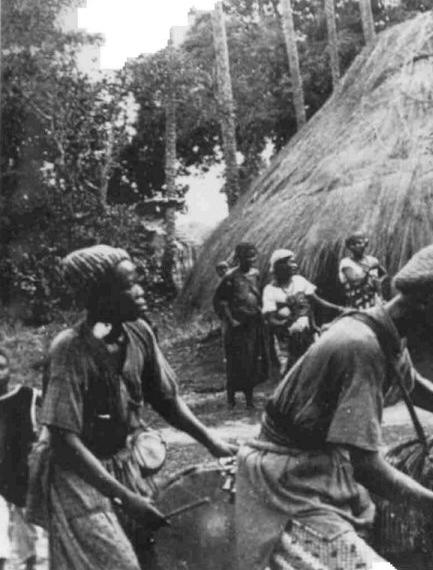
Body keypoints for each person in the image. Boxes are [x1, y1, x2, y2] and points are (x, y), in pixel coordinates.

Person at [235, 243, 433, 570]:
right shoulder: (361, 346)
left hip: (325, 468)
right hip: (287, 482)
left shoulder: (383, 329)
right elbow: (367, 467)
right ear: (428, 301)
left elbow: (410, 381)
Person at [27, 245, 236, 570]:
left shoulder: (139, 333)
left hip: (122, 464)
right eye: (128, 285)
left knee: (151, 551)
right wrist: (125, 498)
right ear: (99, 297)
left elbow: (166, 400)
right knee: (117, 562)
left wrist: (213, 442)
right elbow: (64, 440)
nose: (140, 291)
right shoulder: (70, 350)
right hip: (77, 475)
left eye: (137, 281)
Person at [262, 249, 345, 375]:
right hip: (286, 337)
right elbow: (270, 318)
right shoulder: (270, 290)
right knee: (289, 369)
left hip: (307, 332)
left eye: (295, 262)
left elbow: (315, 302)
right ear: (280, 266)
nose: (295, 265)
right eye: (291, 262)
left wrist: (338, 308)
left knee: (314, 364)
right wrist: (286, 325)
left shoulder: (299, 281)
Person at [213, 242, 274, 409]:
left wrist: (261, 312)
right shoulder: (230, 276)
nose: (251, 259)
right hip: (236, 326)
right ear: (239, 258)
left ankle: (249, 400)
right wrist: (231, 320)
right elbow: (221, 301)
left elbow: (258, 295)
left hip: (253, 323)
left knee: (252, 360)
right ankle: (231, 399)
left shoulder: (256, 274)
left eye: (253, 255)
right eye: (247, 256)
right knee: (236, 361)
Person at [0, 347, 40, 570]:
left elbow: (57, 405)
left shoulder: (25, 396)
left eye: (1, 367)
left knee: (28, 544)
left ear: (9, 370)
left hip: (21, 478)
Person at [339, 233, 387, 310]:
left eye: (359, 243)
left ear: (365, 244)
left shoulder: (372, 260)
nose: (357, 246)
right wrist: (368, 268)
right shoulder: (346, 262)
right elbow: (356, 281)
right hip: (356, 305)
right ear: (350, 247)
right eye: (353, 244)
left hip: (376, 303)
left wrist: (377, 283)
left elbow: (385, 276)